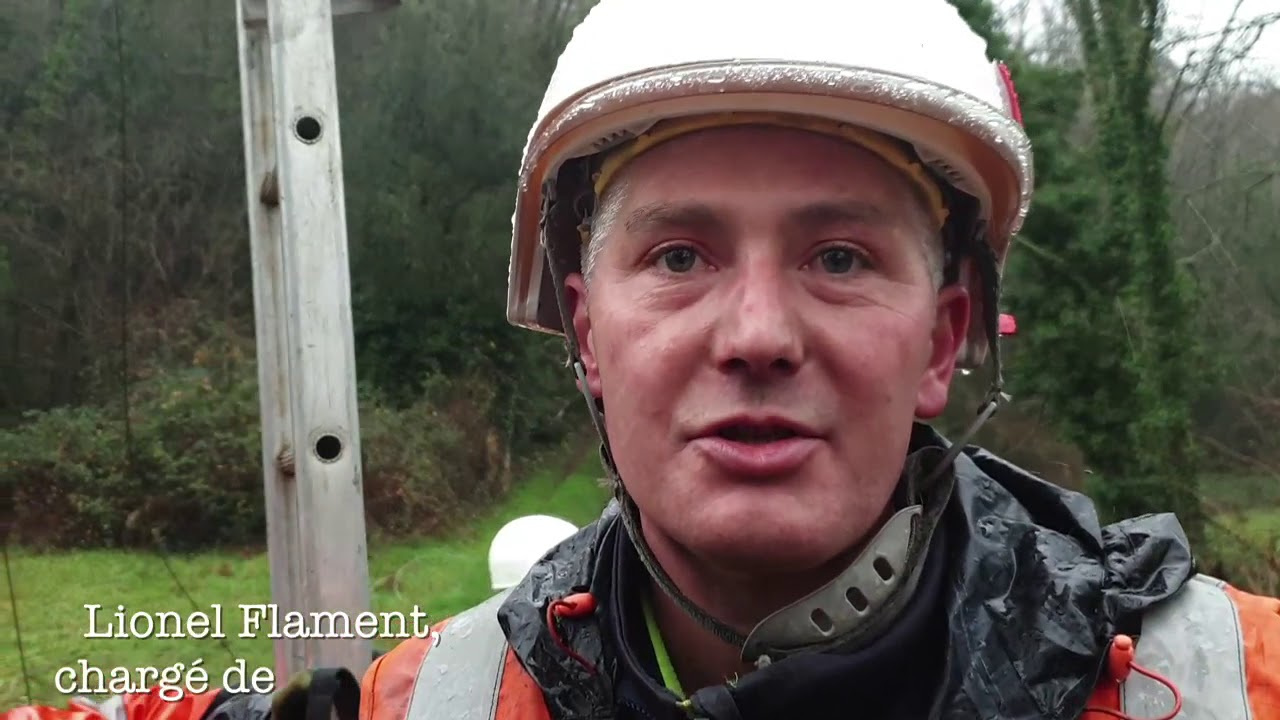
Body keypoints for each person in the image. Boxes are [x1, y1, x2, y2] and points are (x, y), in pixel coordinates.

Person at [4, 2, 1276, 720]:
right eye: (677, 257)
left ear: (943, 341)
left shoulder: (1216, 687)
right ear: (586, 333)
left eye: (838, 258)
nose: (758, 334)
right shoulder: (441, 705)